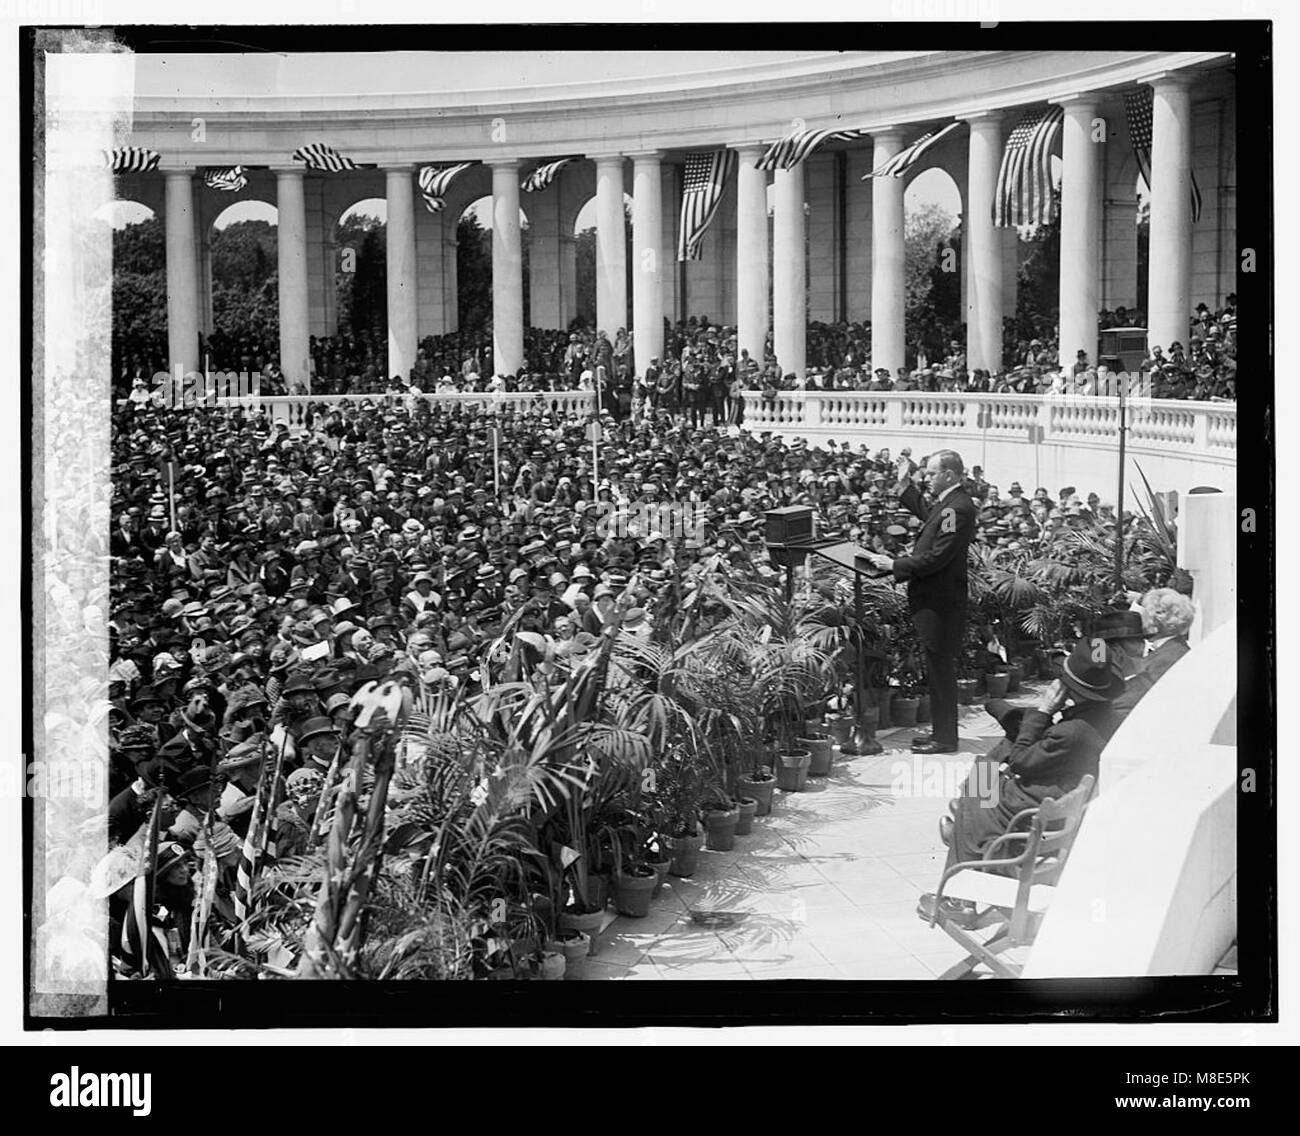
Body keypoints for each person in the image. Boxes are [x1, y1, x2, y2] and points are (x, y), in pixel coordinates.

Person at [918, 638, 1125, 926]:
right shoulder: (1102, 717)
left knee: (974, 794)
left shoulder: (1073, 732)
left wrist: (1042, 712)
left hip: (1029, 809)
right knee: (989, 766)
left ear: (1069, 687)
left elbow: (1021, 760)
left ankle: (959, 895)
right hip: (1055, 795)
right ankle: (965, 837)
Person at [864, 449, 978, 754]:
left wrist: (895, 565)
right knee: (936, 666)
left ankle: (945, 739)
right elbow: (930, 517)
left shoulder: (958, 508)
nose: (926, 478)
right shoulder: (950, 505)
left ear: (949, 475)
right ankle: (941, 733)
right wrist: (905, 488)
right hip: (936, 600)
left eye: (930, 473)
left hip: (940, 603)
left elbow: (939, 555)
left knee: (940, 670)